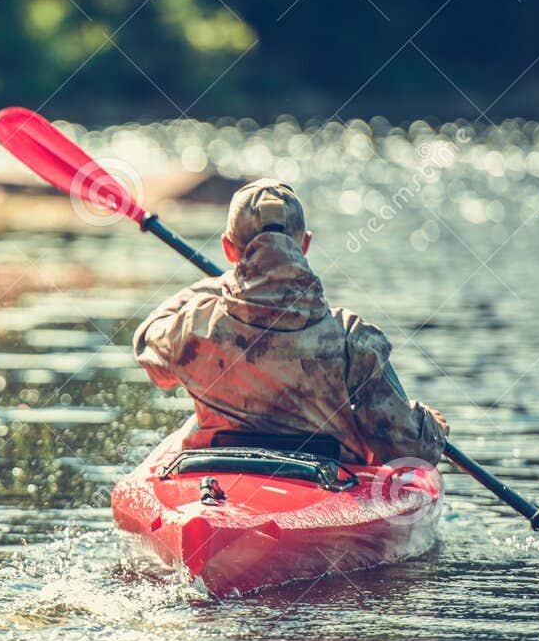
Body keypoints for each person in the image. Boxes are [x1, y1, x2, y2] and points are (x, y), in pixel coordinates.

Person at [133, 178, 448, 465]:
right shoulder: (352, 338)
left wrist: (221, 285)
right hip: (325, 487)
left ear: (228, 249)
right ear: (305, 245)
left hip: (216, 483)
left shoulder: (194, 326)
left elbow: (148, 347)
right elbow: (406, 449)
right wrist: (430, 426)